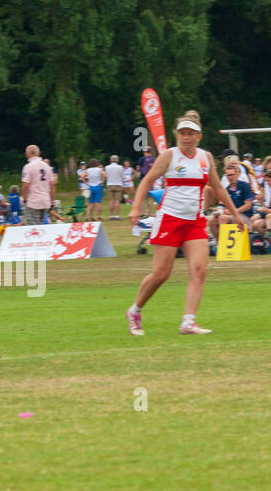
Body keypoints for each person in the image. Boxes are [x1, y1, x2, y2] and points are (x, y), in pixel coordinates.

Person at [125, 110, 245, 336]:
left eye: (191, 133)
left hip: (195, 221)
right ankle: (135, 310)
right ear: (176, 135)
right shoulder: (169, 156)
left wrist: (236, 215)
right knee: (161, 274)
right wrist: (135, 207)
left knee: (199, 269)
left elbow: (218, 188)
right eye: (182, 133)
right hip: (169, 219)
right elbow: (147, 181)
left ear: (199, 136)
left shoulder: (205, 157)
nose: (186, 137)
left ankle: (188, 321)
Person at [209, 161, 254, 242]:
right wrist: (219, 212)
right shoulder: (226, 189)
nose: (230, 177)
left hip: (245, 217)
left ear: (237, 174)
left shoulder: (245, 186)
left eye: (232, 175)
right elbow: (222, 206)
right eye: (228, 175)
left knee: (223, 219)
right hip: (232, 215)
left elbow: (248, 205)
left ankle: (225, 244)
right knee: (212, 221)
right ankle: (220, 244)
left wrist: (233, 212)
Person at [21, 145, 54, 225]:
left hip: (33, 202)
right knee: (39, 227)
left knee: (31, 229)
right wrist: (52, 201)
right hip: (45, 201)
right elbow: (52, 185)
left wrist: (25, 200)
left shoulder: (28, 167)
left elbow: (25, 186)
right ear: (39, 153)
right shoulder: (47, 167)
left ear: (26, 154)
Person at [105, 155, 125, 219]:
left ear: (110, 160)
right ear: (117, 160)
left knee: (111, 201)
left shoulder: (107, 167)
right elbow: (122, 176)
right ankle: (117, 215)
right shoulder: (120, 167)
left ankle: (111, 215)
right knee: (117, 201)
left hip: (110, 184)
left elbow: (106, 175)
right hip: (118, 184)